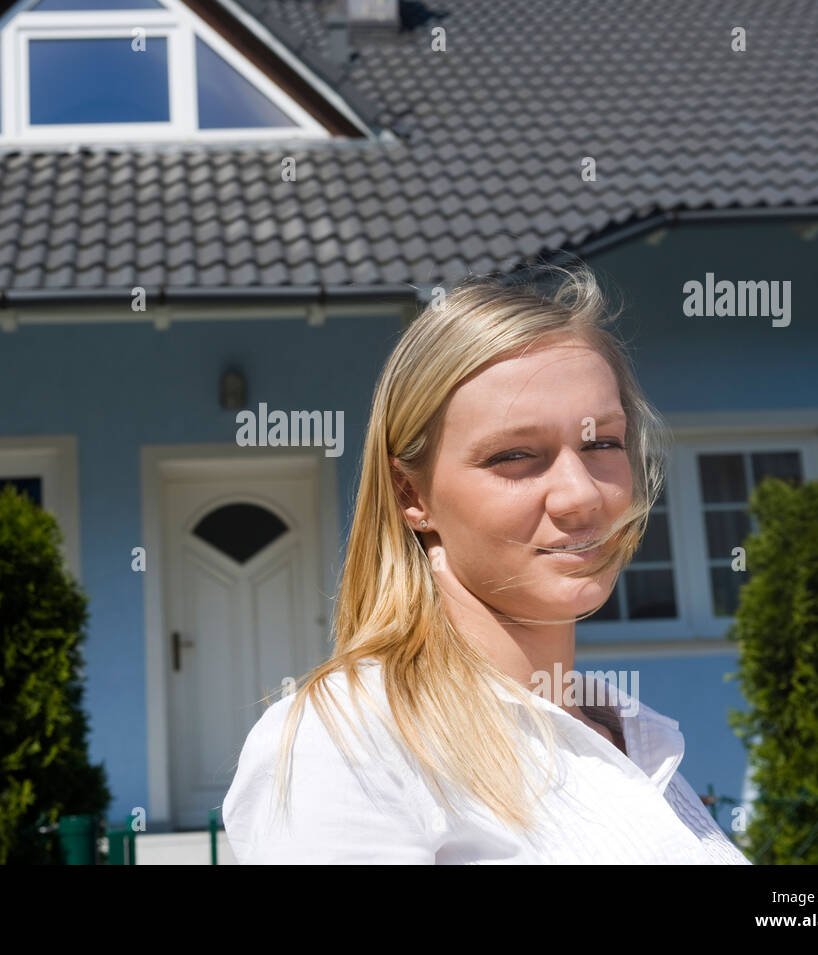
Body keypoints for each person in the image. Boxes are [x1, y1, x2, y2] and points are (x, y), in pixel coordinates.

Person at [221, 263, 750, 863]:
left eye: (602, 442)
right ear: (410, 496)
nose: (580, 495)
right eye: (515, 456)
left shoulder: (627, 729)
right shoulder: (351, 741)